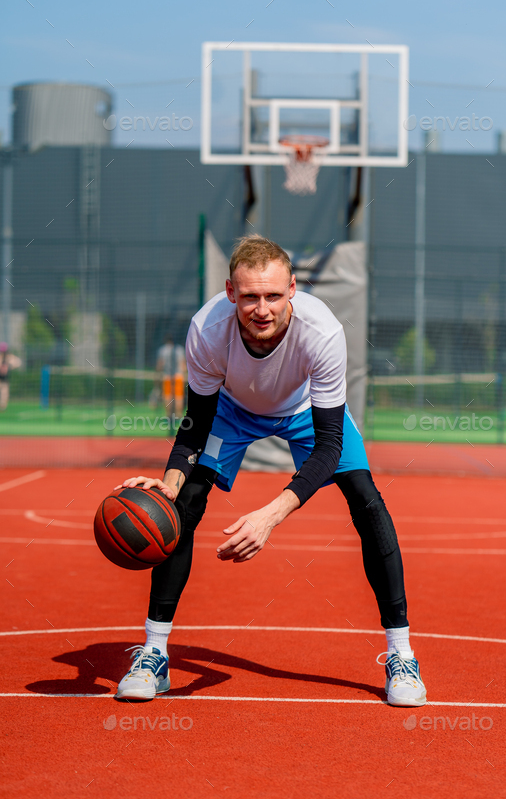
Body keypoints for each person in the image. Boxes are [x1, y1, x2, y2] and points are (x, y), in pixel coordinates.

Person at [114, 236, 426, 708]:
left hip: (304, 410)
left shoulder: (322, 332)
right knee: (183, 505)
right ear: (230, 292)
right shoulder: (207, 330)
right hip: (231, 410)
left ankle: (401, 656)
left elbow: (329, 444)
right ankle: (154, 654)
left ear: (293, 289)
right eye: (250, 296)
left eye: (274, 296)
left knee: (366, 498)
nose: (262, 309)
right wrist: (167, 485)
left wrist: (270, 515)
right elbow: (195, 425)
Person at [156, 335, 186, 419]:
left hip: (167, 376)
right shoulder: (180, 349)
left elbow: (160, 365)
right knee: (179, 396)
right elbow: (183, 365)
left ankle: (169, 415)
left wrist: (158, 375)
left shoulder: (163, 350)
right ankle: (178, 415)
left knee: (167, 396)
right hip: (178, 376)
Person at [0, 342, 22, 411]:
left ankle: (3, 407)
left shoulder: (9, 357)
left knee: (4, 394)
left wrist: (9, 365)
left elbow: (18, 362)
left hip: (5, 379)